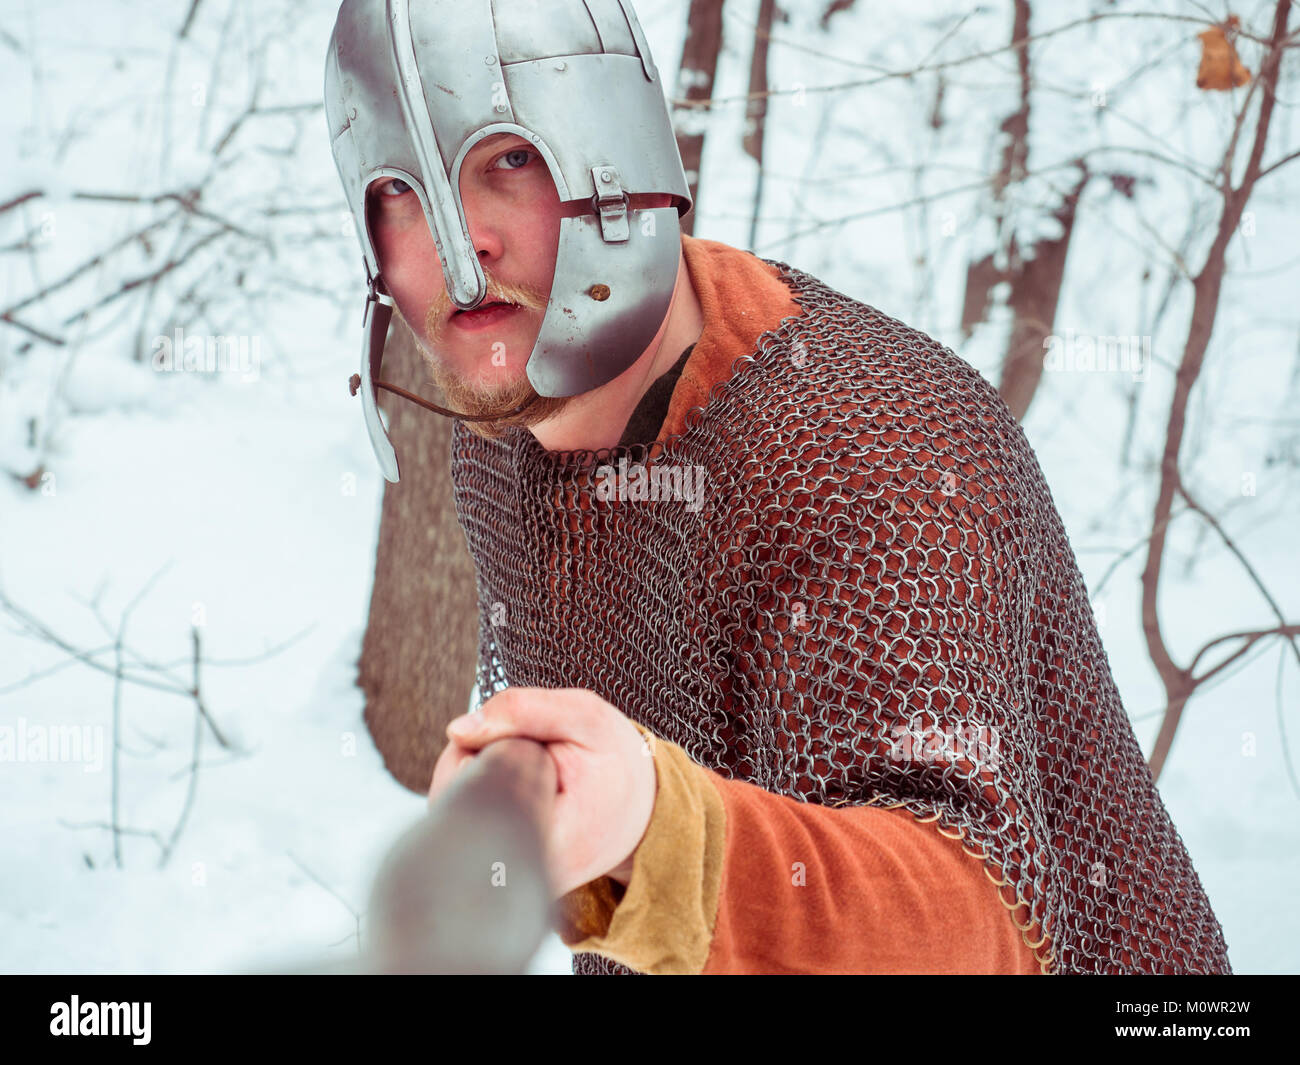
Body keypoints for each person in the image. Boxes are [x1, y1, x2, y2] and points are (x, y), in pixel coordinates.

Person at [325, 0, 1232, 975]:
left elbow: (969, 928)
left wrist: (659, 833)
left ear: (614, 151)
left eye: (507, 160)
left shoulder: (872, 439)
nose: (466, 251)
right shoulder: (501, 432)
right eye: (403, 191)